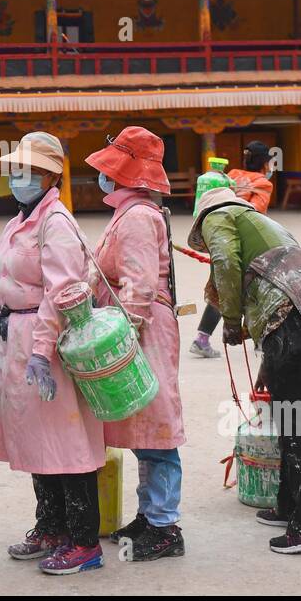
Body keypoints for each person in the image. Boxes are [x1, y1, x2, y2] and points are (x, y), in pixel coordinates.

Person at [192, 183, 301, 552]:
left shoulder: (218, 215)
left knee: (295, 421)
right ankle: (289, 504)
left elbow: (226, 264)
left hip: (292, 318)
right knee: (293, 416)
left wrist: (231, 320)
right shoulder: (261, 221)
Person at [0, 131, 105, 576]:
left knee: (66, 443)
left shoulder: (56, 222)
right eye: (16, 169)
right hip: (16, 339)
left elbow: (63, 292)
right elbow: (4, 283)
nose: (19, 177)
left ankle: (84, 541)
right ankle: (51, 526)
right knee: (38, 441)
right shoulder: (21, 218)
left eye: (28, 170)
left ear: (50, 174)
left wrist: (40, 351)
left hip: (48, 344)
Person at [85, 127, 186, 561]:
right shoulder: (130, 213)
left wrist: (127, 332)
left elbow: (140, 283)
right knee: (145, 426)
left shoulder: (139, 216)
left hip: (142, 329)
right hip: (135, 325)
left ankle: (165, 526)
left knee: (157, 426)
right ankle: (151, 515)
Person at [190, 142, 275, 358]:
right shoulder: (263, 183)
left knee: (222, 286)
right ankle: (261, 343)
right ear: (265, 162)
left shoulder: (232, 175)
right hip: (244, 242)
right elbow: (256, 212)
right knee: (252, 290)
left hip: (219, 234)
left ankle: (201, 339)